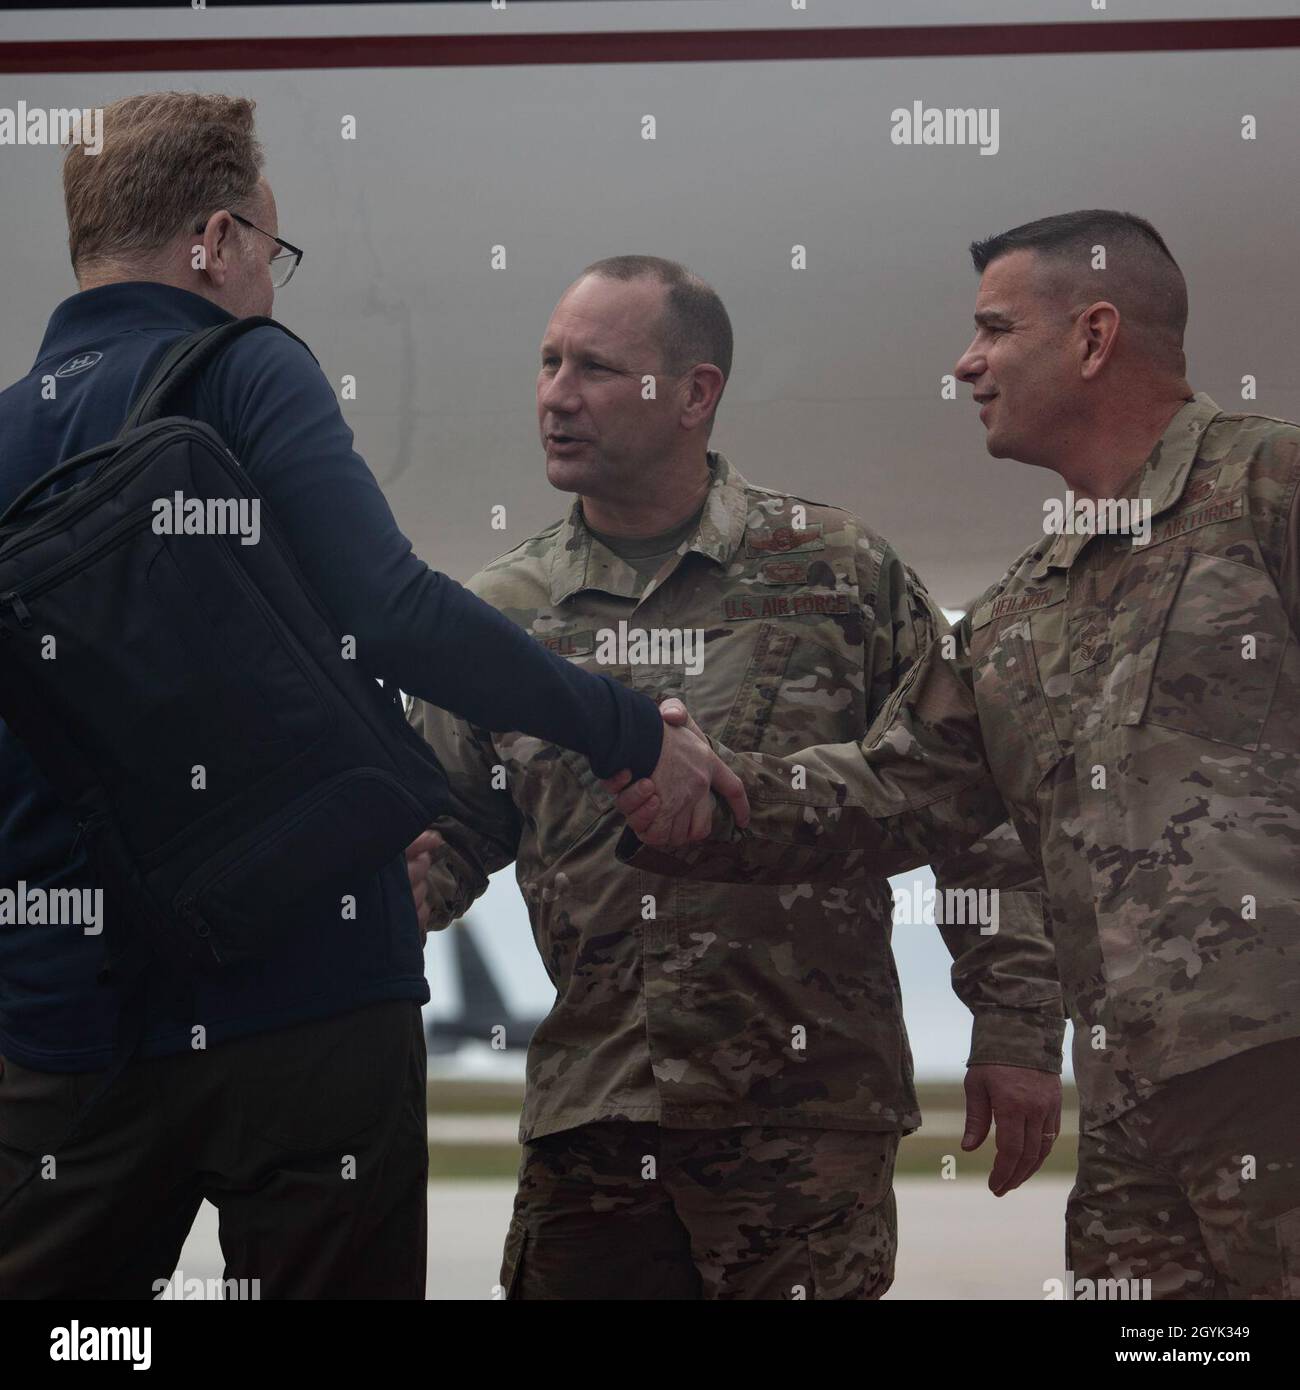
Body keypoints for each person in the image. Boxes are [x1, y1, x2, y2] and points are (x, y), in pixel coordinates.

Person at [0, 91, 739, 1300]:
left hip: (67, 1029)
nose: (270, 284)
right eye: (270, 253)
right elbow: (392, 608)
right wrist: (616, 724)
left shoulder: (6, 435)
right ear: (220, 239)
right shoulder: (243, 371)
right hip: (305, 993)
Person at [612, 210, 1300, 1300]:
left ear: (1093, 337)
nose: (963, 362)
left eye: (992, 330)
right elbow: (893, 791)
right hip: (1131, 1115)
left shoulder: (1268, 486)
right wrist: (710, 796)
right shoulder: (1020, 611)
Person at [407, 256, 1063, 1301]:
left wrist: (1016, 1026)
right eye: (546, 363)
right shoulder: (496, 616)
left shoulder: (841, 574)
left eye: (596, 368)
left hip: (804, 1122)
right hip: (596, 1117)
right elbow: (442, 831)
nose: (556, 394)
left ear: (695, 394)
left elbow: (972, 816)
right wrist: (355, 893)